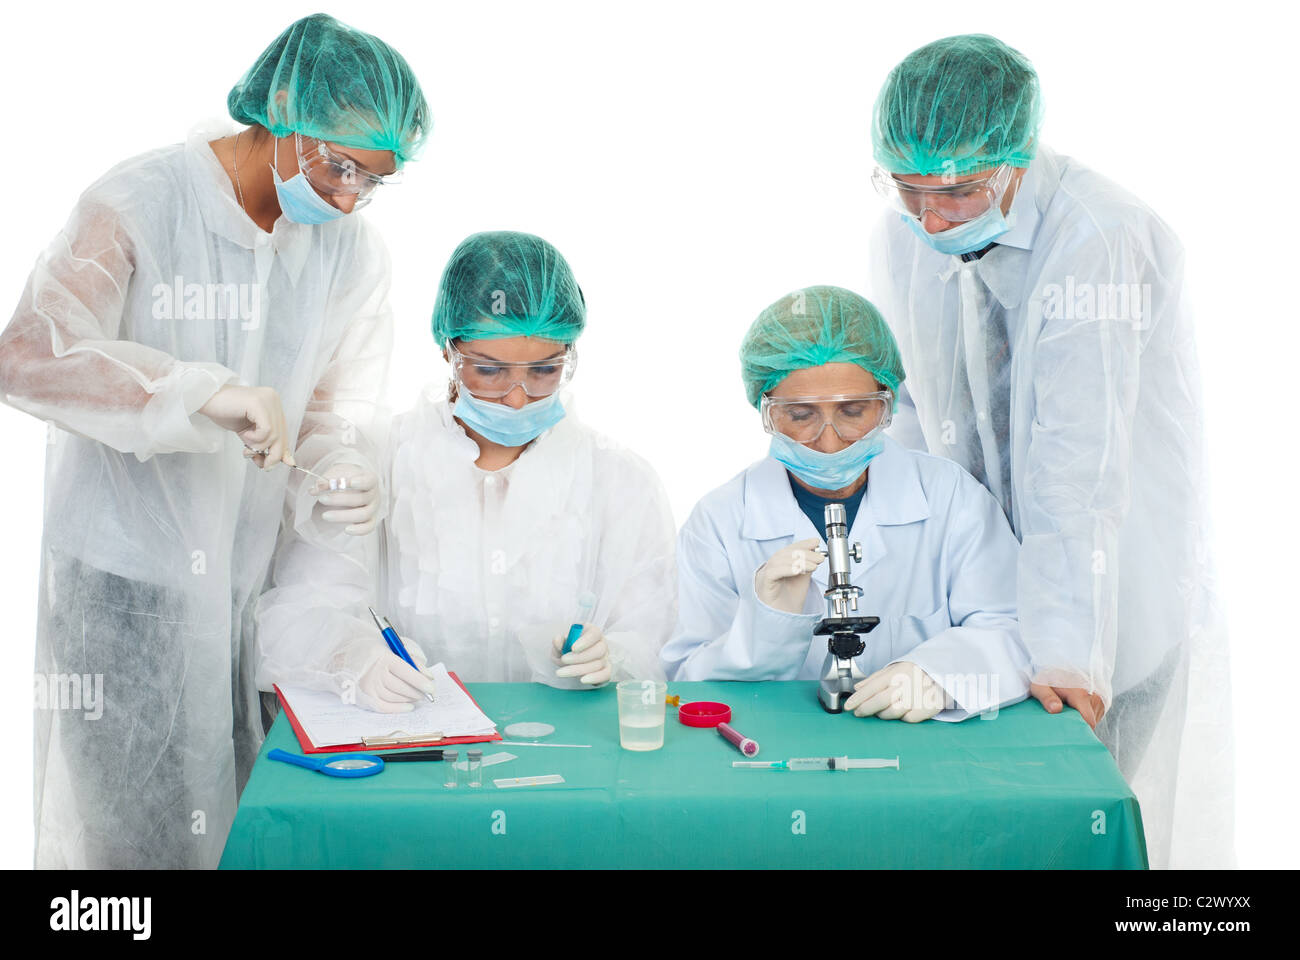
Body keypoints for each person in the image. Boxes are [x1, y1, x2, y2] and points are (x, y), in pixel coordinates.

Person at [0, 13, 429, 868]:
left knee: (250, 820)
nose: (347, 196)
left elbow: (334, 412)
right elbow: (29, 356)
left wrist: (339, 469)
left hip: (252, 580)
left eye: (371, 180)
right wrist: (198, 393)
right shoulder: (144, 201)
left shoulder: (349, 254)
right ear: (279, 108)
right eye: (340, 165)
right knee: (139, 840)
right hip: (128, 583)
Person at [867, 34, 1231, 866]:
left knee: (1081, 837)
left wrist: (1068, 646)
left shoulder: (1099, 235)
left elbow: (1079, 464)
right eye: (909, 188)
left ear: (1017, 158)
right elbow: (919, 415)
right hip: (990, 597)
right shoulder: (908, 237)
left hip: (1111, 596)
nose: (931, 217)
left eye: (958, 191)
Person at [256, 231, 676, 710]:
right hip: (411, 756)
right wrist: (353, 658)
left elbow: (656, 640)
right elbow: (297, 618)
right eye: (490, 370)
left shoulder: (621, 481)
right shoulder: (376, 464)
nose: (517, 397)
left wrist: (615, 657)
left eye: (544, 370)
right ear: (447, 351)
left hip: (569, 760)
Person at [661, 285, 1029, 723]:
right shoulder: (719, 522)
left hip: (923, 749)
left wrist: (940, 673)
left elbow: (1014, 627)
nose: (830, 441)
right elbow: (685, 681)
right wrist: (767, 626)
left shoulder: (950, 498)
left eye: (854, 411)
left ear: (887, 403)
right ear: (766, 410)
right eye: (800, 415)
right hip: (774, 752)